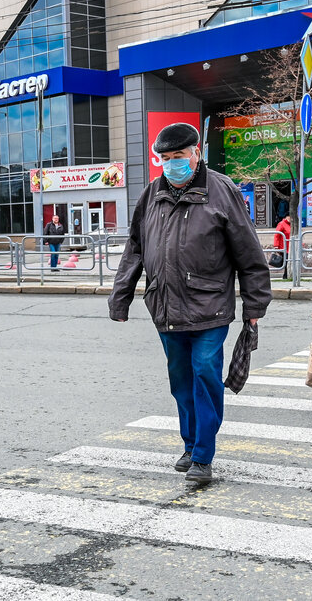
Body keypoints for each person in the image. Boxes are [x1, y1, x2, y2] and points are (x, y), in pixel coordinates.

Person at [109, 123, 272, 484]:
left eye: (178, 157)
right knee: (180, 382)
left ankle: (203, 455)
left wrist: (255, 305)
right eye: (164, 159)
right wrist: (121, 297)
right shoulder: (151, 193)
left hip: (209, 306)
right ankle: (190, 444)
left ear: (196, 152)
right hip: (165, 307)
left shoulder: (222, 190)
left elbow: (248, 251)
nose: (171, 165)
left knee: (204, 374)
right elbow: (135, 247)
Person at [273, 215, 291, 279]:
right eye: (289, 216)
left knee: (289, 262)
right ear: (286, 217)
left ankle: (287, 276)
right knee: (286, 262)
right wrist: (276, 246)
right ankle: (285, 276)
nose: (291, 218)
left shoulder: (292, 225)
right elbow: (277, 235)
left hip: (290, 247)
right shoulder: (281, 224)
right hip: (284, 247)